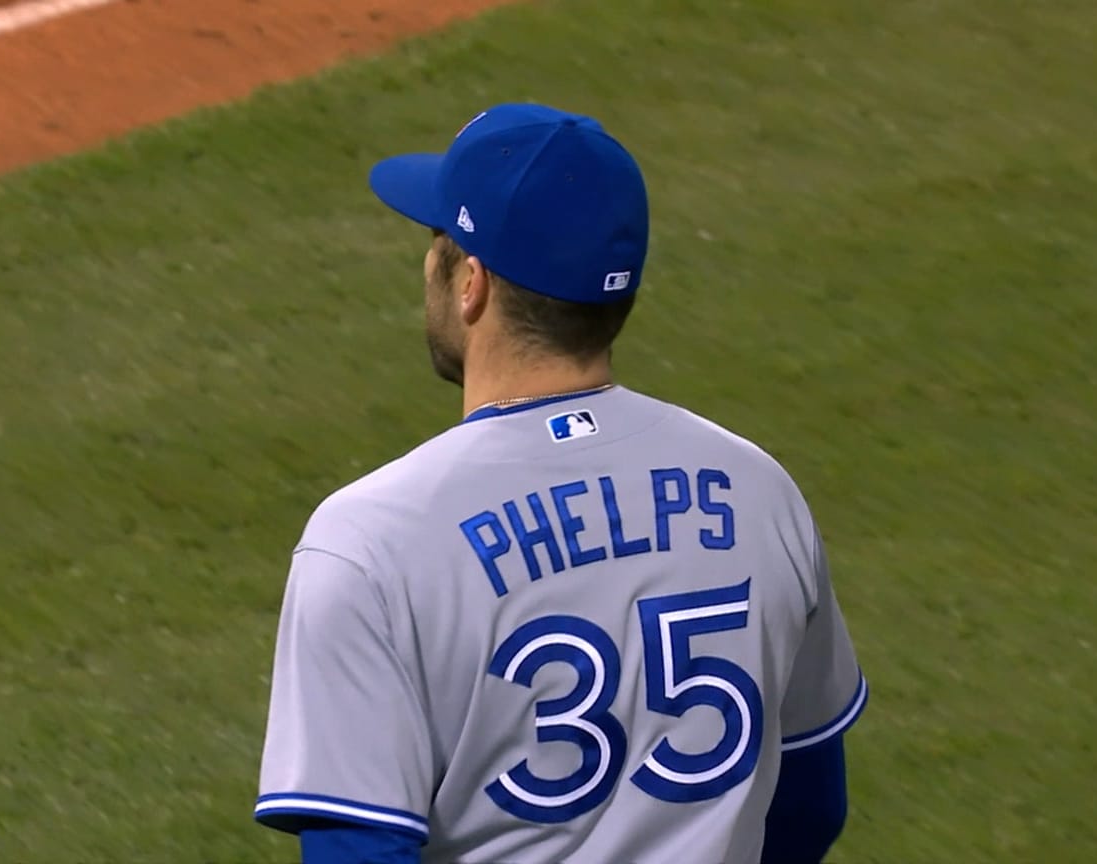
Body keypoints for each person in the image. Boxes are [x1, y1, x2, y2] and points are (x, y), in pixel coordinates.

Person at [253, 102, 866, 864]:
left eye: (436, 243)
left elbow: (358, 851)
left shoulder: (372, 541)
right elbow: (808, 806)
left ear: (471, 283)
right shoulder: (759, 491)